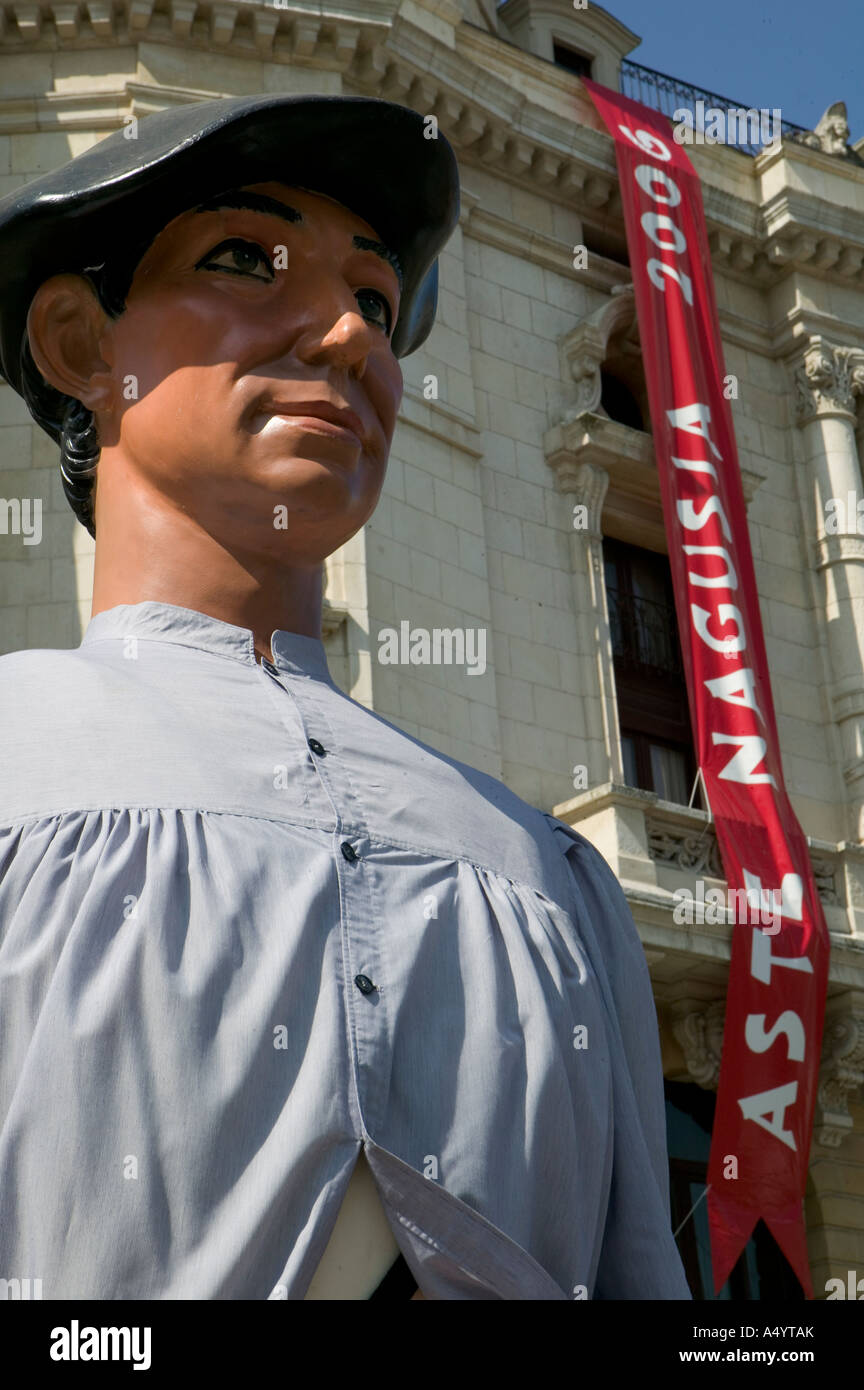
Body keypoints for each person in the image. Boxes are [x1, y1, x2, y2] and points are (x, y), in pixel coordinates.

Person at [0, 92, 691, 1301]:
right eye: (244, 262)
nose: (346, 338)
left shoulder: (551, 880)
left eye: (373, 300)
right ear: (77, 342)